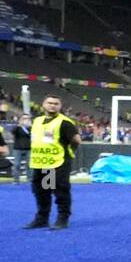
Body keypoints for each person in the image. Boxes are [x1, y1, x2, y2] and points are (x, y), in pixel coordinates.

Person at [23, 95, 80, 230]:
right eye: (50, 103)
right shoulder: (37, 121)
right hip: (41, 163)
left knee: (60, 191)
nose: (52, 105)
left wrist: (69, 153)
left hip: (57, 163)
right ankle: (42, 219)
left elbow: (76, 140)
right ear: (43, 104)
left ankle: (62, 218)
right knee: (42, 192)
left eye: (56, 103)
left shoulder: (64, 122)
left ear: (60, 106)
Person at [11, 112, 30, 184]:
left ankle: (30, 179)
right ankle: (16, 180)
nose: (26, 120)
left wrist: (29, 126)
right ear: (20, 119)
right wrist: (19, 124)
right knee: (16, 165)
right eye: (24, 118)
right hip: (18, 148)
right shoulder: (17, 127)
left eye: (27, 119)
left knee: (29, 165)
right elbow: (13, 132)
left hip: (29, 148)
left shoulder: (31, 127)